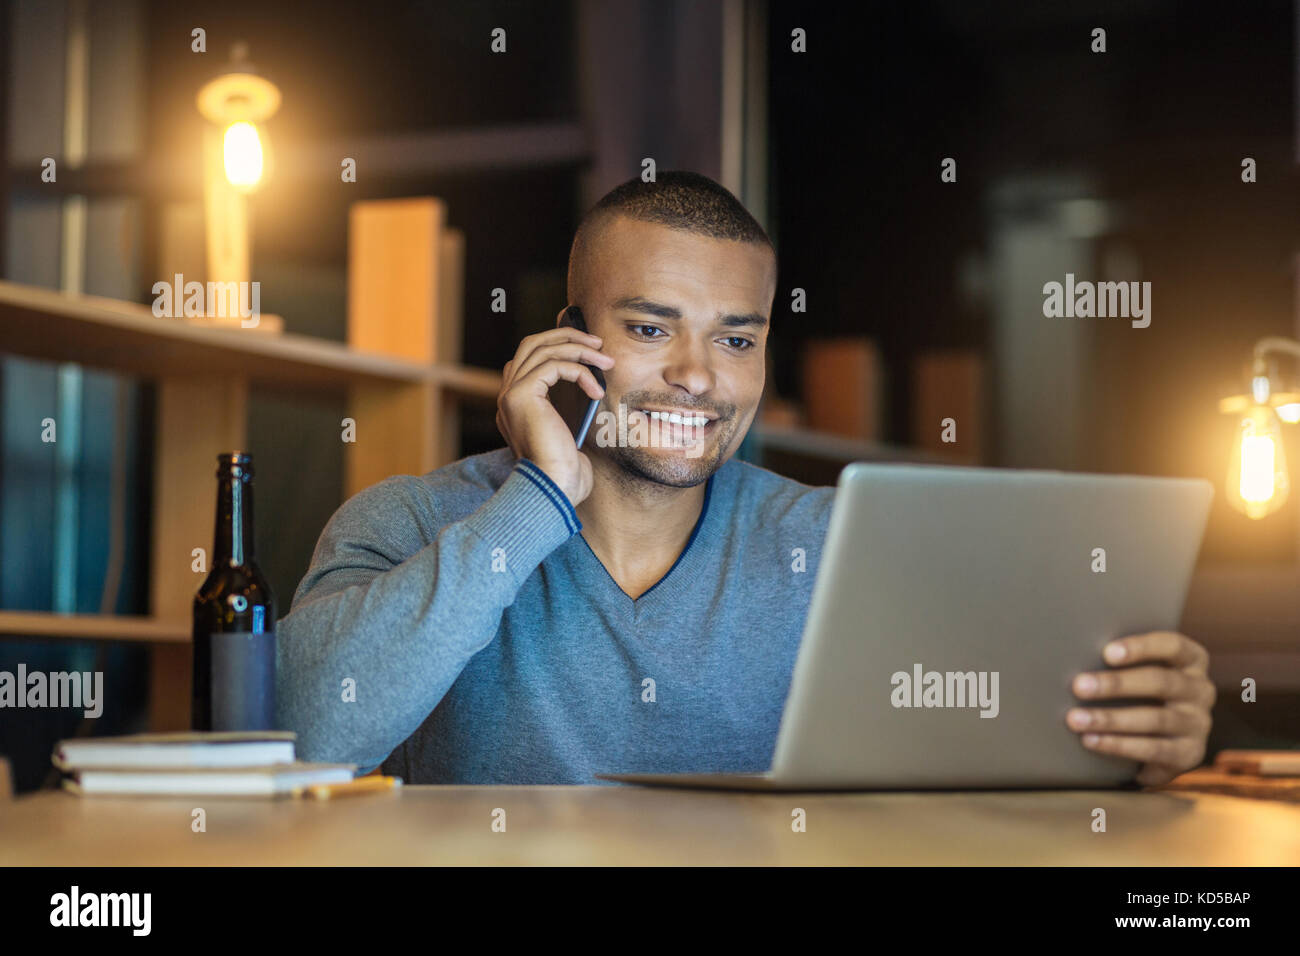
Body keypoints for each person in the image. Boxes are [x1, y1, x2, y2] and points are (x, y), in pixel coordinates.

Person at [277, 171, 1214, 786]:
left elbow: (986, 772)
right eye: (650, 329)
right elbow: (306, 732)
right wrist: (539, 498)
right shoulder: (409, 521)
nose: (698, 374)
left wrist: (1140, 739)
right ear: (568, 337)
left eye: (737, 338)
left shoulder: (841, 546)